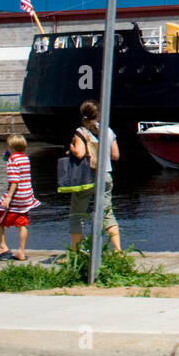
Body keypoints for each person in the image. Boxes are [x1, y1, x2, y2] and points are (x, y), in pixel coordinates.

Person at [67, 100, 121, 252]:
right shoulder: (107, 131)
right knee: (107, 212)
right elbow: (116, 155)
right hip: (105, 175)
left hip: (87, 178)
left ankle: (76, 251)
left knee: (77, 214)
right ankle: (118, 250)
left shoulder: (81, 132)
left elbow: (80, 153)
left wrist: (71, 148)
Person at [0, 134, 40, 261]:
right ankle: (21, 251)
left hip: (16, 195)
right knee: (22, 223)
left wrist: (8, 198)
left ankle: (2, 246)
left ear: (9, 146)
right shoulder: (25, 158)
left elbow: (14, 180)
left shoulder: (12, 160)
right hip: (27, 196)